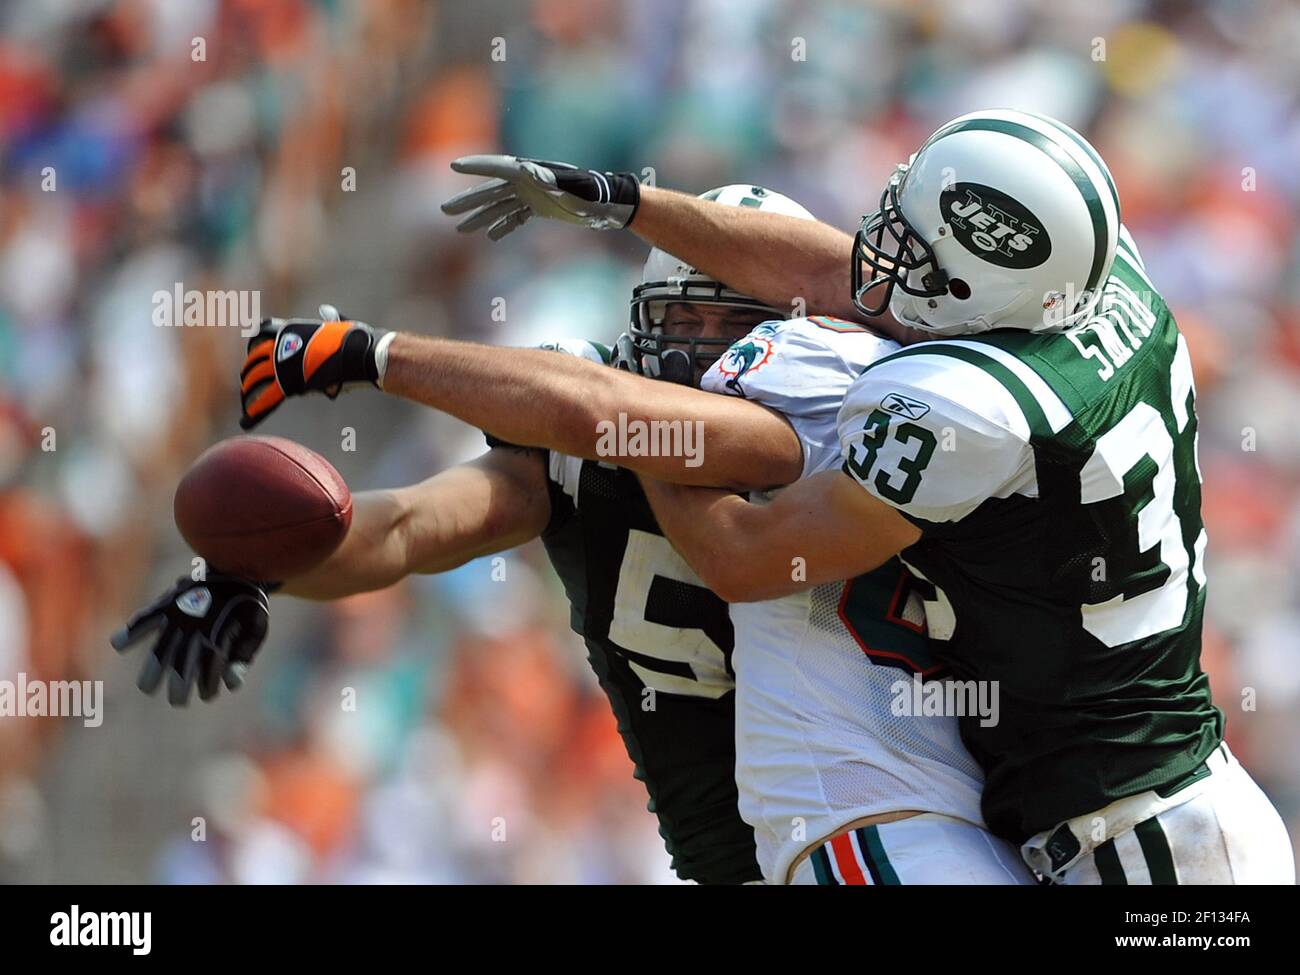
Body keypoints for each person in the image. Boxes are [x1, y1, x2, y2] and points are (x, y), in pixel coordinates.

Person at [438, 109, 1295, 884]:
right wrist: (630, 203)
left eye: (918, 248)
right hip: (1164, 813)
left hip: (1146, 850)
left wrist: (648, 406)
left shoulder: (974, 405)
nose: (878, 250)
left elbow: (744, 554)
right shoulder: (1110, 289)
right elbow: (834, 269)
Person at [115, 184, 1030, 885]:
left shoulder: (844, 423)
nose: (710, 356)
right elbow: (407, 527)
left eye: (739, 329)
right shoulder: (576, 453)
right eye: (686, 323)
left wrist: (371, 352)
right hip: (742, 854)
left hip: (932, 818)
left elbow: (603, 412)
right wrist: (261, 568)